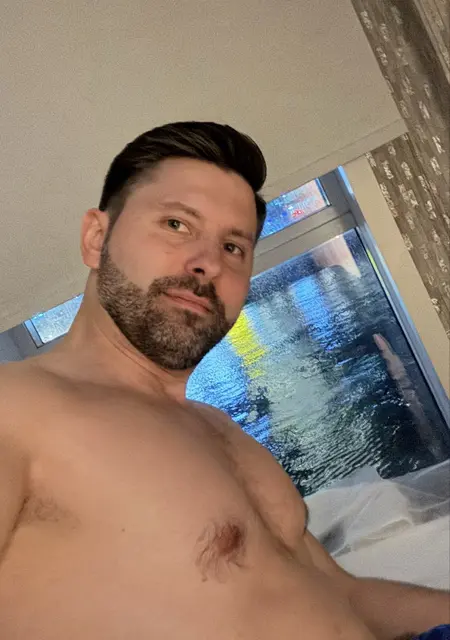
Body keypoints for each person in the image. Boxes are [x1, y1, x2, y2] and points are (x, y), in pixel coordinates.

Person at [0, 121, 448, 640]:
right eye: (176, 224)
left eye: (234, 247)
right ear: (96, 238)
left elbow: (340, 595)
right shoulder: (17, 408)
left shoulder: (221, 431)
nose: (208, 263)